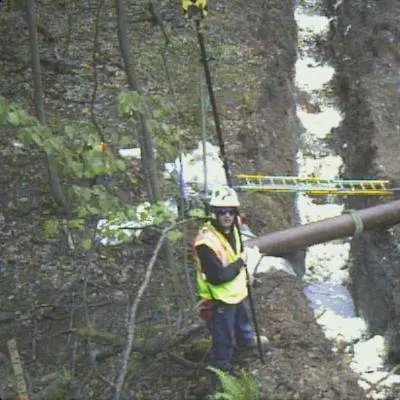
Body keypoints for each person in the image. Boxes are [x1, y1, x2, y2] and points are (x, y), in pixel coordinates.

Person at [193, 186, 268, 377]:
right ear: (214, 213)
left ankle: (246, 342)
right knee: (223, 336)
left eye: (231, 211)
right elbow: (218, 277)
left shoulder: (233, 228)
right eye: (221, 212)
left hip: (237, 291)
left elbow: (233, 256)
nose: (227, 216)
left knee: (243, 322)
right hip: (220, 298)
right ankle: (222, 368)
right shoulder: (206, 243)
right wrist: (242, 262)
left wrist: (246, 275)